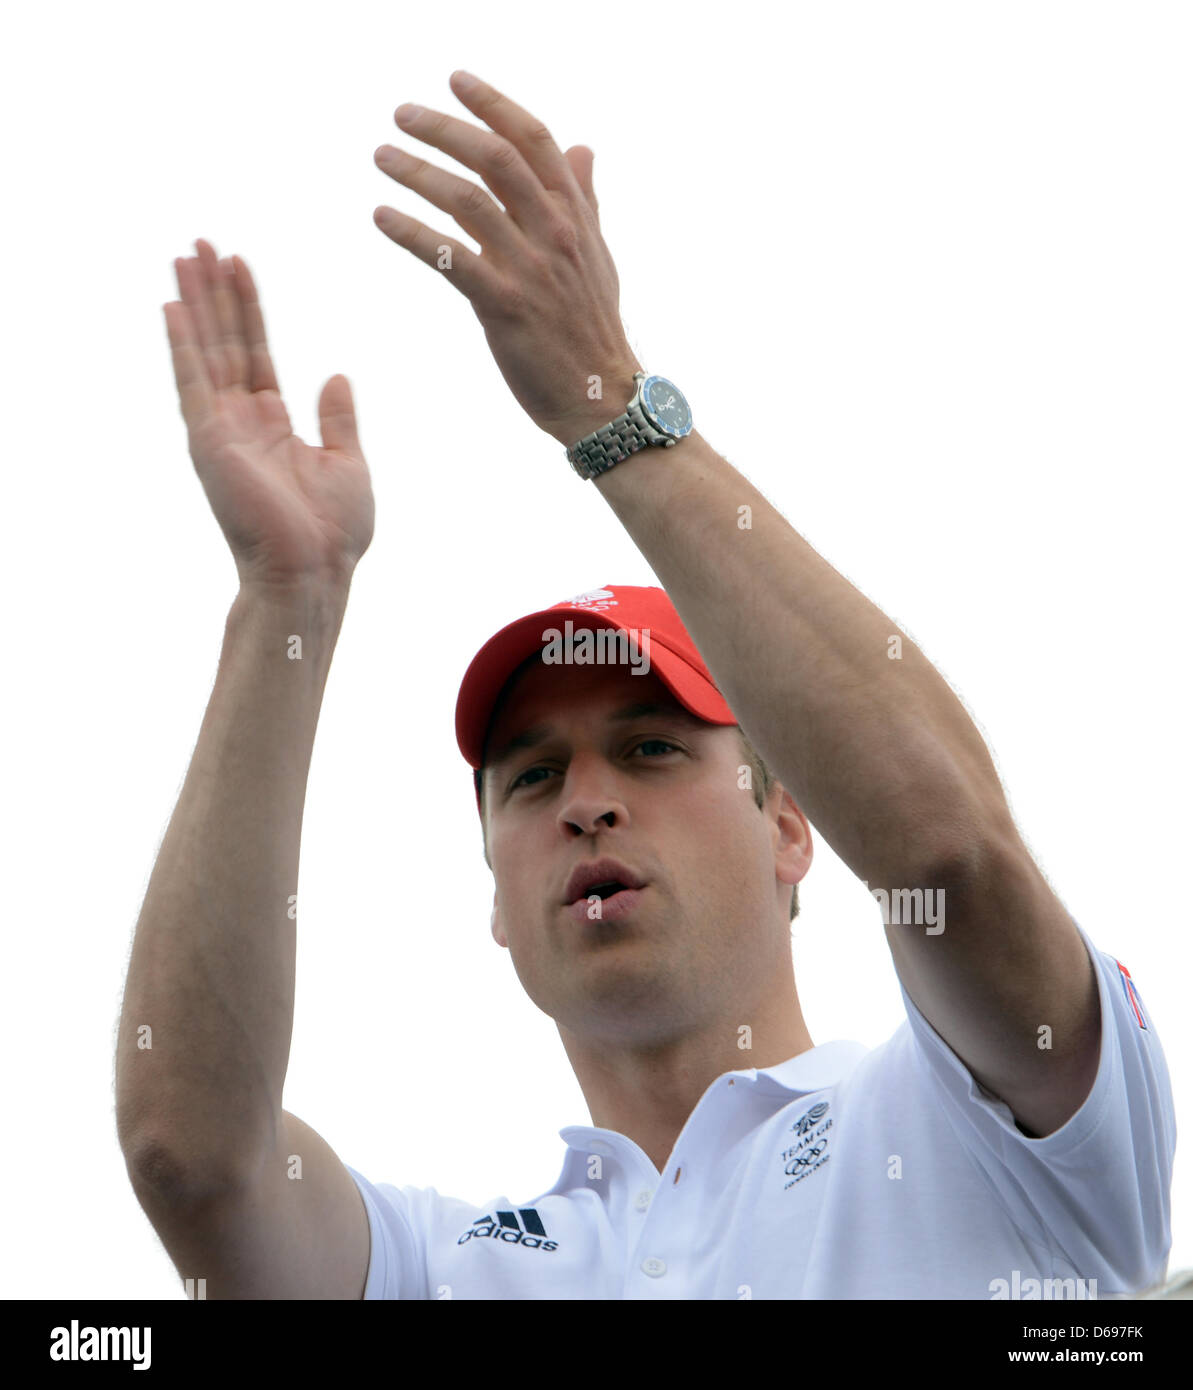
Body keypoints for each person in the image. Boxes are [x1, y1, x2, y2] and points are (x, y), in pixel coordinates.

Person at [116, 72, 1175, 1300]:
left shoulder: (974, 1124)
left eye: (653, 747)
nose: (585, 801)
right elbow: (192, 1160)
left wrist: (609, 406)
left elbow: (946, 855)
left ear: (790, 827)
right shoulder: (438, 1265)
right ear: (496, 905)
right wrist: (283, 597)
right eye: (529, 776)